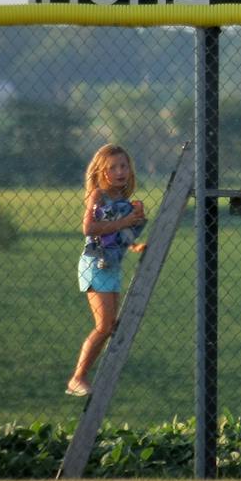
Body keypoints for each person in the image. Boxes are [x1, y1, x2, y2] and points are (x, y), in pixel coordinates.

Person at [66, 144, 147, 397]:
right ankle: (77, 378)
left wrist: (134, 241)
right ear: (102, 172)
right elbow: (89, 229)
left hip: (112, 267)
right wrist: (124, 221)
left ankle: (95, 375)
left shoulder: (123, 203)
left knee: (111, 326)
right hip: (95, 265)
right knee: (103, 326)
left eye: (123, 166)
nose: (120, 171)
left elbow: (119, 235)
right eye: (113, 167)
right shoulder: (98, 196)